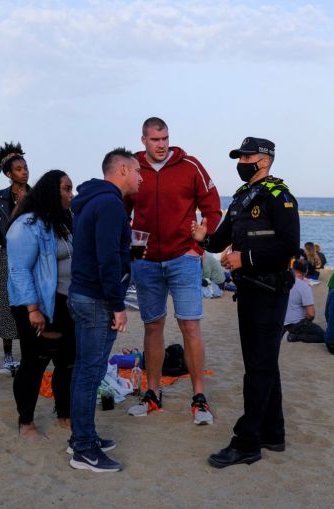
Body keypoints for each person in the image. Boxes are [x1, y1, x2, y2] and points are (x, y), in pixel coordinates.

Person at [191, 136, 299, 468]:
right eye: (239, 156)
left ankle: (247, 441)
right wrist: (203, 238)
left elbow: (288, 247)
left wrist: (244, 258)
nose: (241, 161)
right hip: (248, 291)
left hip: (269, 291)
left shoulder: (280, 197)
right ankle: (273, 432)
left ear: (264, 160)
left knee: (258, 368)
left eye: (246, 156)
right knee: (264, 364)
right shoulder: (241, 198)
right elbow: (220, 239)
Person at [126, 117, 221, 424]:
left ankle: (199, 399)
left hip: (184, 257)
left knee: (190, 327)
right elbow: (120, 208)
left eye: (165, 138)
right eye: (155, 139)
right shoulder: (133, 167)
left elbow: (212, 207)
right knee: (152, 326)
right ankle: (152, 394)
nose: (162, 144)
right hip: (146, 261)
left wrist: (201, 242)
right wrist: (129, 251)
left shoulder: (189, 165)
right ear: (143, 140)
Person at [67, 149, 141, 472]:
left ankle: (82, 437)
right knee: (90, 373)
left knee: (85, 369)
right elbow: (107, 258)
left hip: (83, 294)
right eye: (137, 172)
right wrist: (118, 305)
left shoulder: (89, 201)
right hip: (97, 299)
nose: (140, 178)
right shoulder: (111, 204)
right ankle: (84, 449)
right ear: (122, 169)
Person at [6, 169, 76, 441]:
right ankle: (26, 423)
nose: (71, 194)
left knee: (68, 361)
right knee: (34, 363)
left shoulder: (61, 221)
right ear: (51, 191)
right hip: (35, 305)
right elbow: (20, 269)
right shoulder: (27, 225)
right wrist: (33, 309)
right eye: (67, 189)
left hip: (65, 303)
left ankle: (64, 414)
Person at [0, 142, 30, 374]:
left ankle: (29, 353)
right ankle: (8, 355)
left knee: (29, 303)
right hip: (5, 257)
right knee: (4, 306)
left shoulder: (35, 195)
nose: (24, 171)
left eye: (25, 167)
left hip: (30, 257)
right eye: (19, 169)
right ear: (8, 174)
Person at [283, 260, 324, 343]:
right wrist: (308, 321)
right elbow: (311, 314)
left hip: (282, 320)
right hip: (296, 323)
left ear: (293, 268)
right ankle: (294, 337)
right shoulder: (304, 286)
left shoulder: (284, 281)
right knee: (323, 336)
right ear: (306, 271)